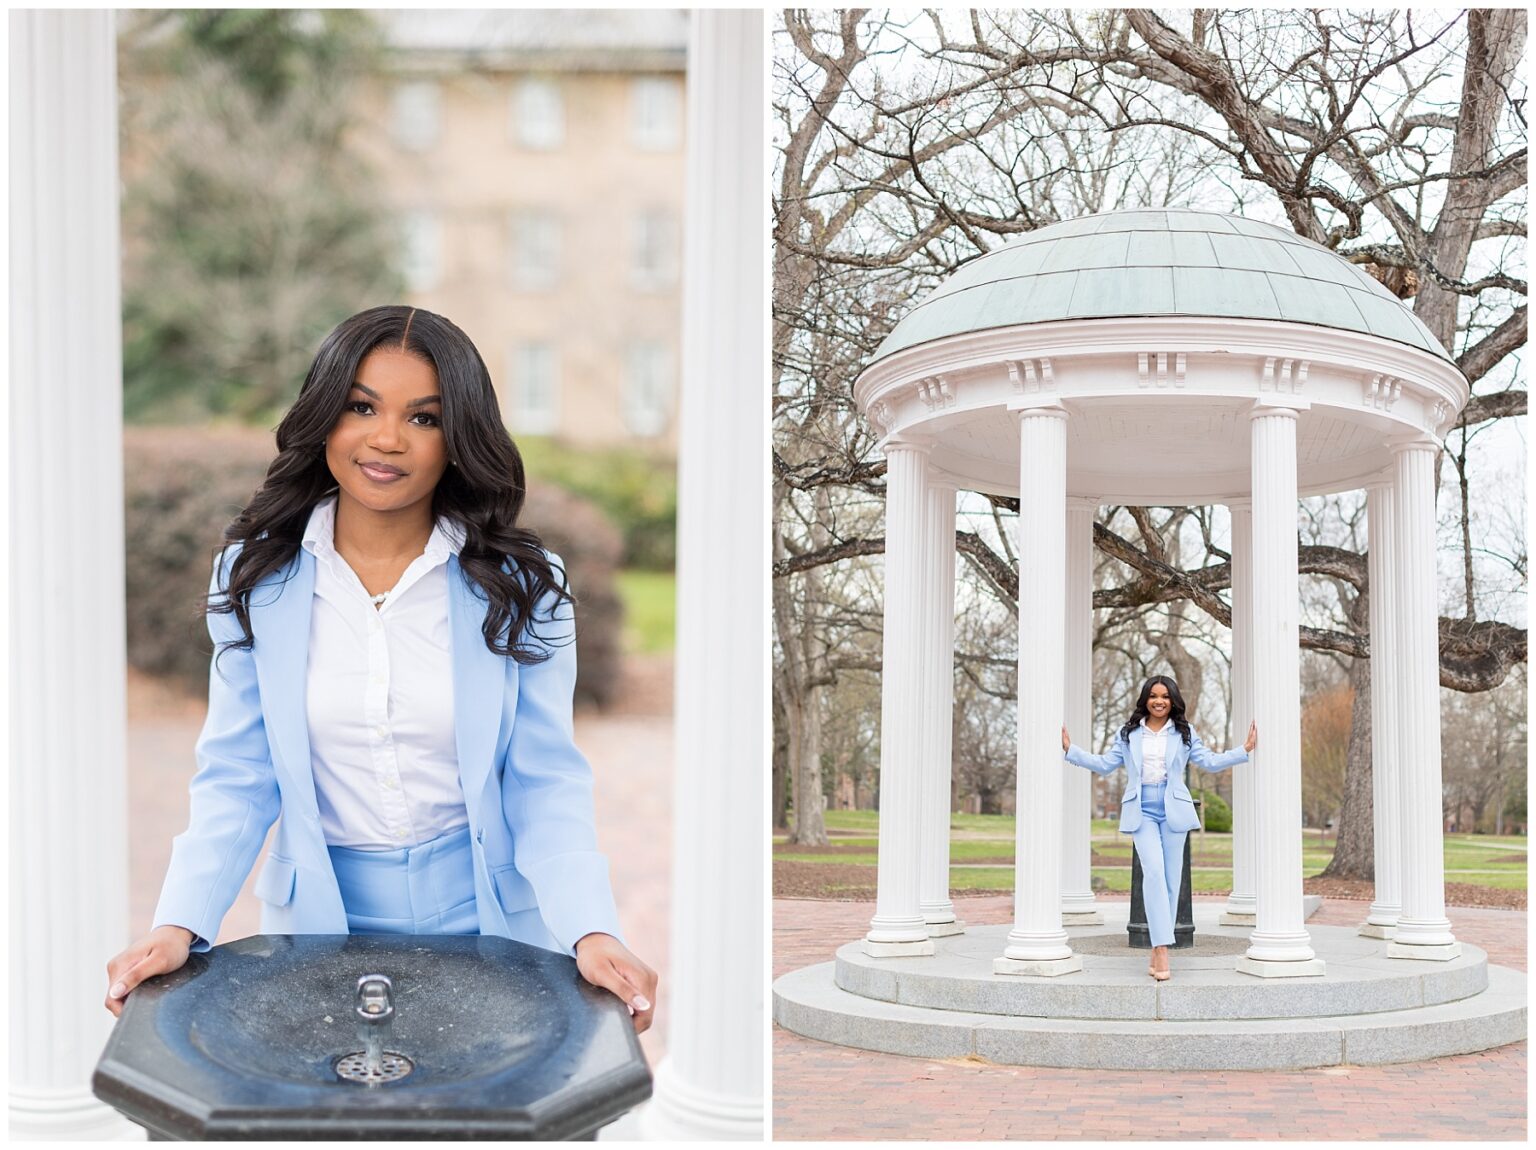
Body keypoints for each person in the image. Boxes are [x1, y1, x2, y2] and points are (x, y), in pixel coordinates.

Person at [105, 306, 657, 1030]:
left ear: (458, 439)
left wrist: (591, 927)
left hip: (488, 918)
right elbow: (239, 774)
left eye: (424, 418)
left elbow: (542, 779)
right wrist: (178, 922)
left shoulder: (523, 585)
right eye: (361, 406)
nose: (387, 438)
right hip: (318, 919)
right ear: (324, 415)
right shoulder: (254, 576)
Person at [1061, 675, 1256, 982]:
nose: (1159, 701)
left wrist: (1244, 749)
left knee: (1170, 881)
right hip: (1142, 809)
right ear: (1145, 699)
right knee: (1152, 872)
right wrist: (1071, 750)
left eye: (1165, 696)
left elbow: (1211, 762)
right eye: (1153, 695)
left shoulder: (1185, 732)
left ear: (1173, 700)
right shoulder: (1128, 733)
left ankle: (1156, 946)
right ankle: (1163, 948)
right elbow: (1105, 764)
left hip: (1174, 809)